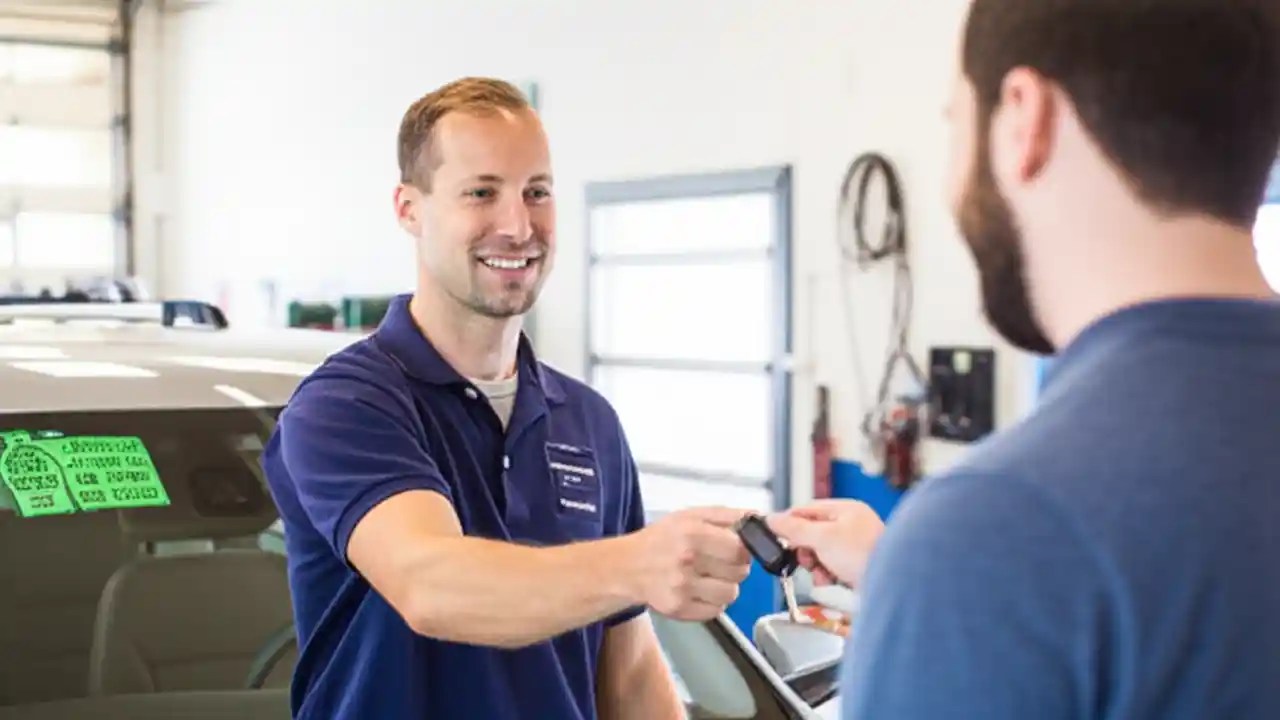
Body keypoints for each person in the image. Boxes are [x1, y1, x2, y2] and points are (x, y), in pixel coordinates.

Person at [770, 1, 1280, 718]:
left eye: (954, 125)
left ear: (1023, 119)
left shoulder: (1001, 527)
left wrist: (950, 575)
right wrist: (919, 578)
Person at [261, 77, 752, 720]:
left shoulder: (588, 422)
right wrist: (639, 561)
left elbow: (628, 674)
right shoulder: (346, 406)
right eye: (482, 193)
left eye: (537, 193)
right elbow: (433, 586)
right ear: (410, 208)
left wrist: (638, 572)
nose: (518, 225)